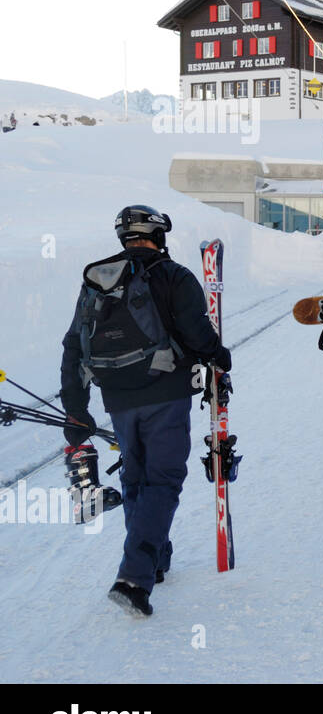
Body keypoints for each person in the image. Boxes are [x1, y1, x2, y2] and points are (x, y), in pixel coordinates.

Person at [59, 205, 233, 617]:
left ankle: (153, 560)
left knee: (137, 480)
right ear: (159, 235)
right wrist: (220, 358)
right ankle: (133, 579)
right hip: (166, 394)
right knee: (163, 481)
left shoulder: (98, 282)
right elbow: (197, 334)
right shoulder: (173, 275)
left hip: (117, 397)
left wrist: (76, 410)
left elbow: (73, 346)